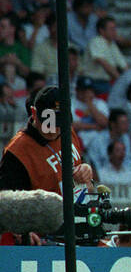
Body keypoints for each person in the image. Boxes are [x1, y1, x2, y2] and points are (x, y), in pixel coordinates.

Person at [0, 85, 95, 243]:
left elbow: (82, 168)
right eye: (48, 123)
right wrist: (22, 232)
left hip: (79, 227)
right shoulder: (17, 151)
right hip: (44, 239)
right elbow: (6, 203)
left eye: (58, 123)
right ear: (34, 113)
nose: (54, 130)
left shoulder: (67, 131)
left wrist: (86, 169)